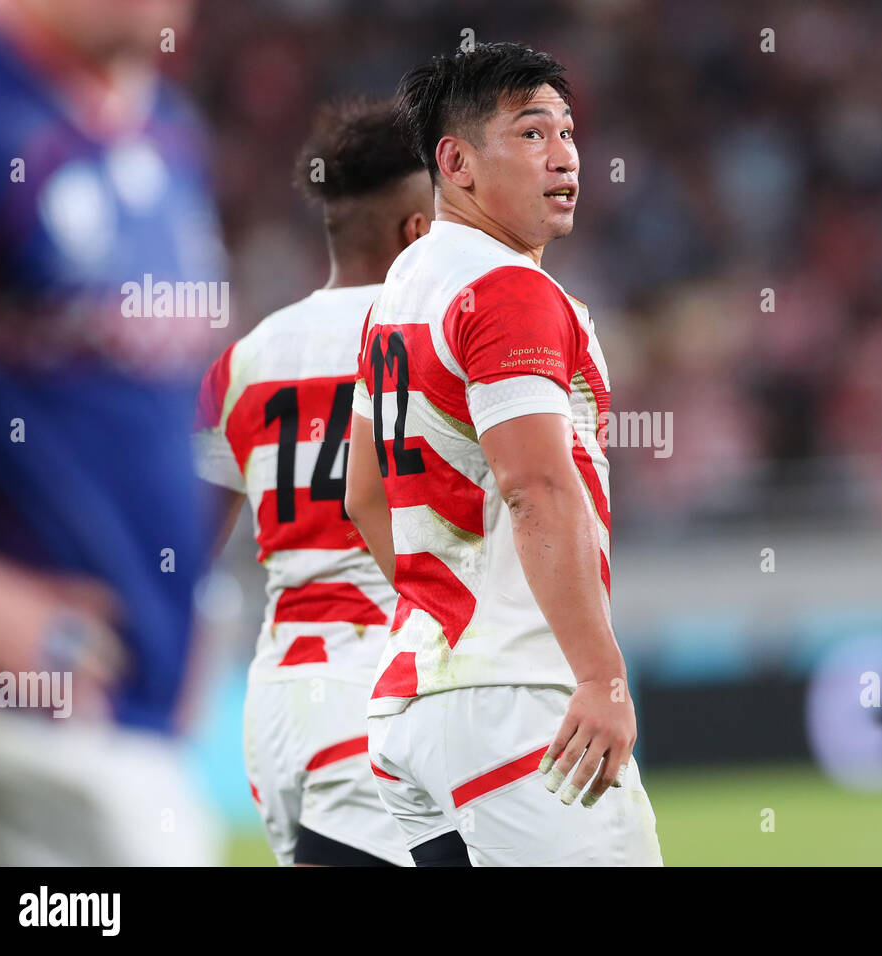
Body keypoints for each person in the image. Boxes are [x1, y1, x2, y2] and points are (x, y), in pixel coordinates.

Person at [345, 41, 662, 866]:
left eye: (566, 131)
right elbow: (535, 489)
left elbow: (364, 496)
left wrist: (450, 619)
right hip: (518, 705)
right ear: (456, 162)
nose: (563, 156)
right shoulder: (508, 288)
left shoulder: (397, 295)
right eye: (530, 134)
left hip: (412, 708)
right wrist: (599, 676)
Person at [0, 0, 224, 864]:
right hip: (18, 722)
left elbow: (163, 406)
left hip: (123, 707)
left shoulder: (165, 127)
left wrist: (200, 609)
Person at [193, 97, 435, 866]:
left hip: (282, 705)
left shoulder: (246, 362)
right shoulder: (437, 338)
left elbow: (182, 546)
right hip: (388, 691)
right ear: (419, 229)